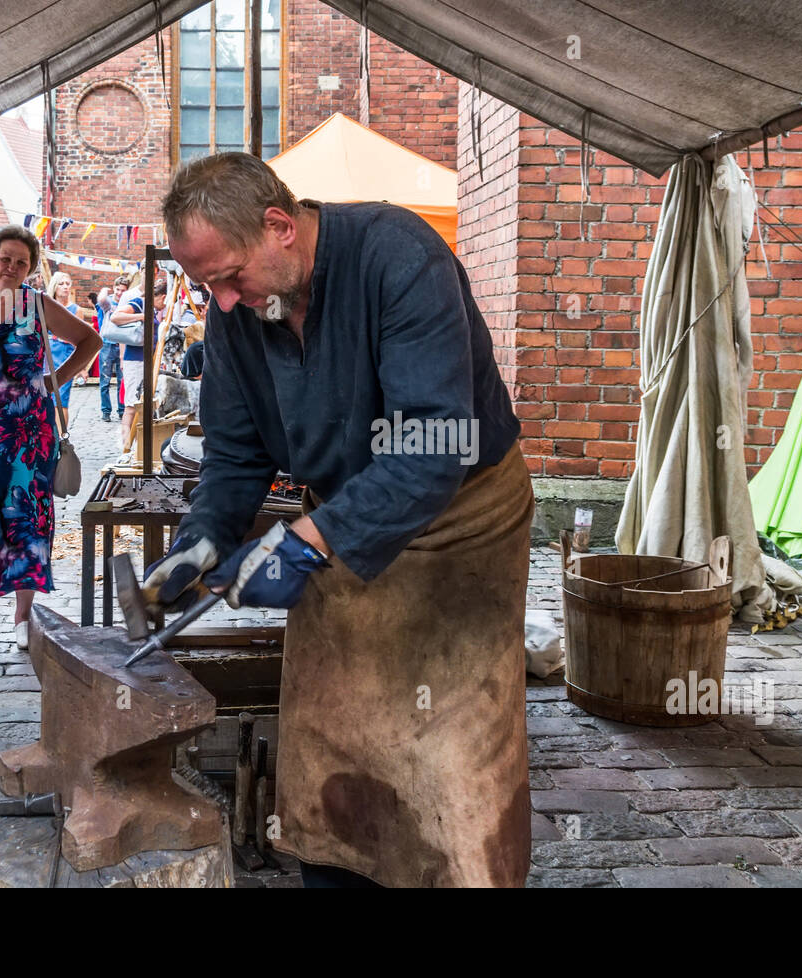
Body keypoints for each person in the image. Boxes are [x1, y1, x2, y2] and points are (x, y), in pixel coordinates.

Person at [148, 153, 532, 887]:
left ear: (279, 227)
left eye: (228, 277)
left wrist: (305, 543)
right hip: (338, 527)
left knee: (453, 759)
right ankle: (342, 875)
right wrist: (199, 544)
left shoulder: (400, 257)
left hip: (461, 529)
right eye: (207, 287)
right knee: (333, 747)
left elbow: (431, 446)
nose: (223, 302)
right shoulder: (236, 310)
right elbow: (233, 451)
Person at [0, 227, 100, 652]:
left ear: (30, 268)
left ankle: (23, 618)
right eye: (5, 258)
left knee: (27, 522)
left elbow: (90, 340)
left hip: (30, 435)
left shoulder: (36, 304)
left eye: (21, 262)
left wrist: (58, 379)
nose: (11, 268)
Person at [108, 277, 166, 442]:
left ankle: (137, 445)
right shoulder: (139, 303)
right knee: (132, 404)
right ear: (162, 297)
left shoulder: (154, 309)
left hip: (146, 361)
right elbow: (115, 317)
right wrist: (142, 316)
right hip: (135, 360)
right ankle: (124, 444)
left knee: (141, 404)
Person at [44, 272, 78, 424]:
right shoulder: (46, 306)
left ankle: (62, 436)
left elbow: (79, 339)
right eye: (61, 283)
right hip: (47, 353)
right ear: (54, 286)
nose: (65, 287)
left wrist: (81, 367)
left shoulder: (76, 309)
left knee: (61, 400)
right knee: (47, 398)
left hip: (65, 355)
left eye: (67, 283)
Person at [95, 275, 128, 422]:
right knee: (105, 380)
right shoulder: (108, 302)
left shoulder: (126, 304)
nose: (120, 293)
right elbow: (101, 299)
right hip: (107, 344)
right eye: (118, 289)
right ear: (114, 288)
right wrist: (104, 289)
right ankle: (106, 410)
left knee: (122, 380)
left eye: (123, 290)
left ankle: (122, 410)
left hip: (122, 343)